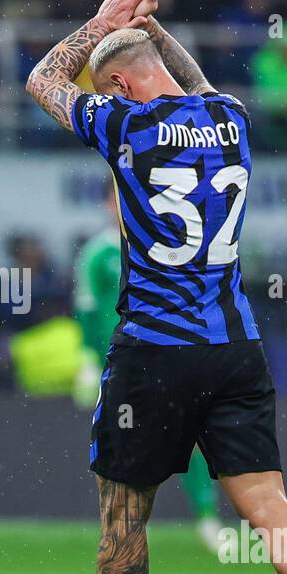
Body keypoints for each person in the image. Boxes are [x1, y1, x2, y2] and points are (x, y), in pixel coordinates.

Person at [25, 0, 287, 574]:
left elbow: (42, 78)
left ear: (116, 85)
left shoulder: (125, 130)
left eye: (108, 82)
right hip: (236, 347)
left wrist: (102, 19)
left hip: (155, 353)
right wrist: (147, 26)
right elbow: (188, 80)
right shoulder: (229, 118)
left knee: (123, 512)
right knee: (268, 501)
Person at [73, 190, 225, 552]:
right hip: (119, 362)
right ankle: (132, 525)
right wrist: (86, 359)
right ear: (106, 204)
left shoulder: (157, 245)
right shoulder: (98, 253)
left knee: (192, 438)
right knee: (127, 444)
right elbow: (86, 310)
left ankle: (207, 517)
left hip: (164, 354)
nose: (118, 205)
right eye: (112, 199)